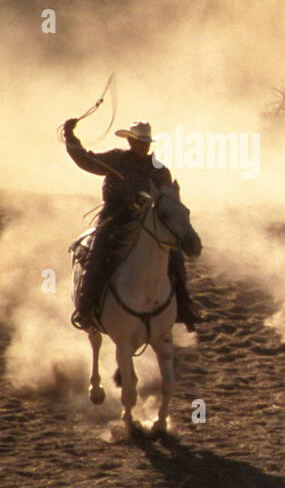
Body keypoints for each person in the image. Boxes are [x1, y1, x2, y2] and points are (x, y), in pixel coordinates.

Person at [63, 118, 200, 331]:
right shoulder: (116, 159)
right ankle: (86, 308)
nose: (144, 146)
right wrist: (71, 137)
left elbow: (165, 199)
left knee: (175, 259)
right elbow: (86, 160)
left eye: (146, 142)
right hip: (113, 216)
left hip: (147, 220)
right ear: (131, 141)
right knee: (98, 254)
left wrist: (145, 200)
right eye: (140, 141)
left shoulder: (159, 169)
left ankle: (185, 309)